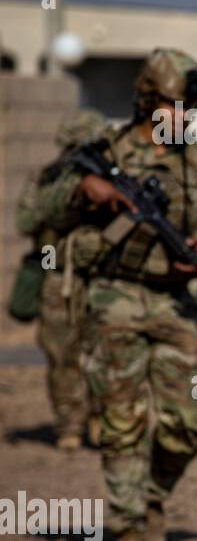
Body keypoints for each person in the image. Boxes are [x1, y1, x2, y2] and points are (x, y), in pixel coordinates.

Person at [34, 49, 197, 541]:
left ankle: (152, 496)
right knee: (121, 419)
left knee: (189, 421)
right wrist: (88, 190)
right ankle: (128, 525)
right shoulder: (103, 150)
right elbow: (41, 205)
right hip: (113, 299)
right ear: (149, 102)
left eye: (188, 106)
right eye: (174, 104)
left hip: (174, 303)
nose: (182, 116)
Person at [15, 108, 109, 451]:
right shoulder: (46, 179)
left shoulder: (114, 178)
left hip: (100, 275)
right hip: (55, 269)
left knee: (105, 351)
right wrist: (62, 196)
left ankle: (102, 418)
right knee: (61, 353)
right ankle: (69, 423)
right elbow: (26, 223)